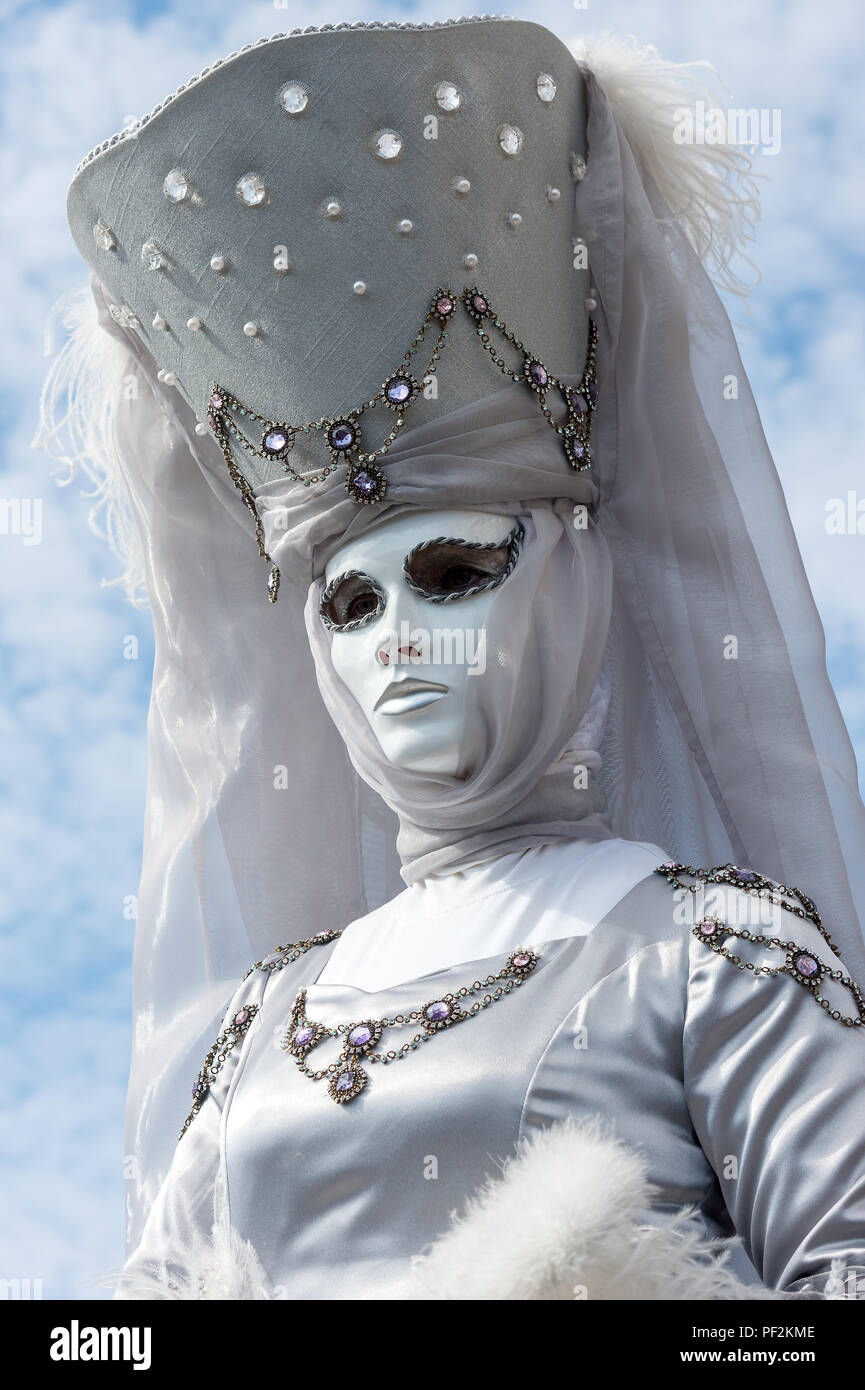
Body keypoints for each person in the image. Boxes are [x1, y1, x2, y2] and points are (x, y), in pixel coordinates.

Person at [38, 18, 865, 1300]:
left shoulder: (716, 952)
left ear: (569, 576)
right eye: (348, 604)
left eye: (452, 574)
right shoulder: (264, 1023)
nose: (395, 643)